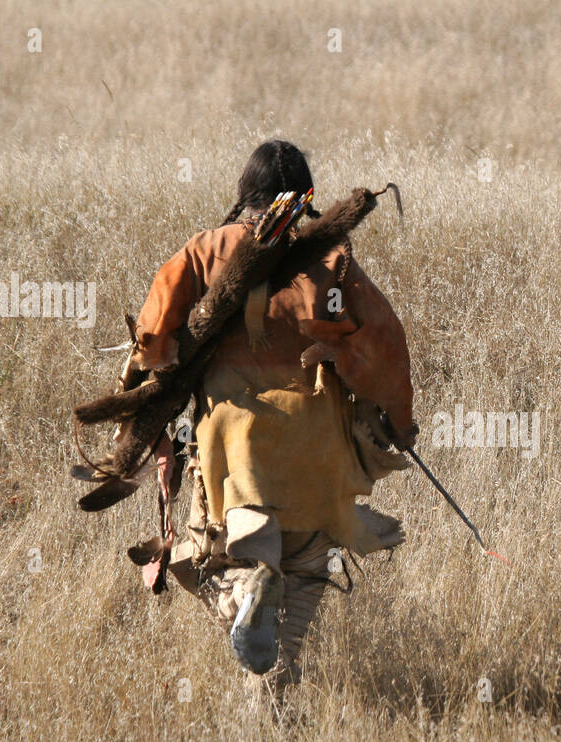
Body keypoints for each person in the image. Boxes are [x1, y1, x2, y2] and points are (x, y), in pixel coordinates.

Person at [126, 140, 418, 696]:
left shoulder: (206, 250)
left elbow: (153, 337)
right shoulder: (331, 259)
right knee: (307, 570)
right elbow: (385, 341)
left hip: (234, 451)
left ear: (245, 193)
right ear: (306, 199)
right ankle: (275, 702)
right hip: (317, 453)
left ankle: (246, 590)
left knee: (206, 559)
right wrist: (399, 422)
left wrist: (146, 414)